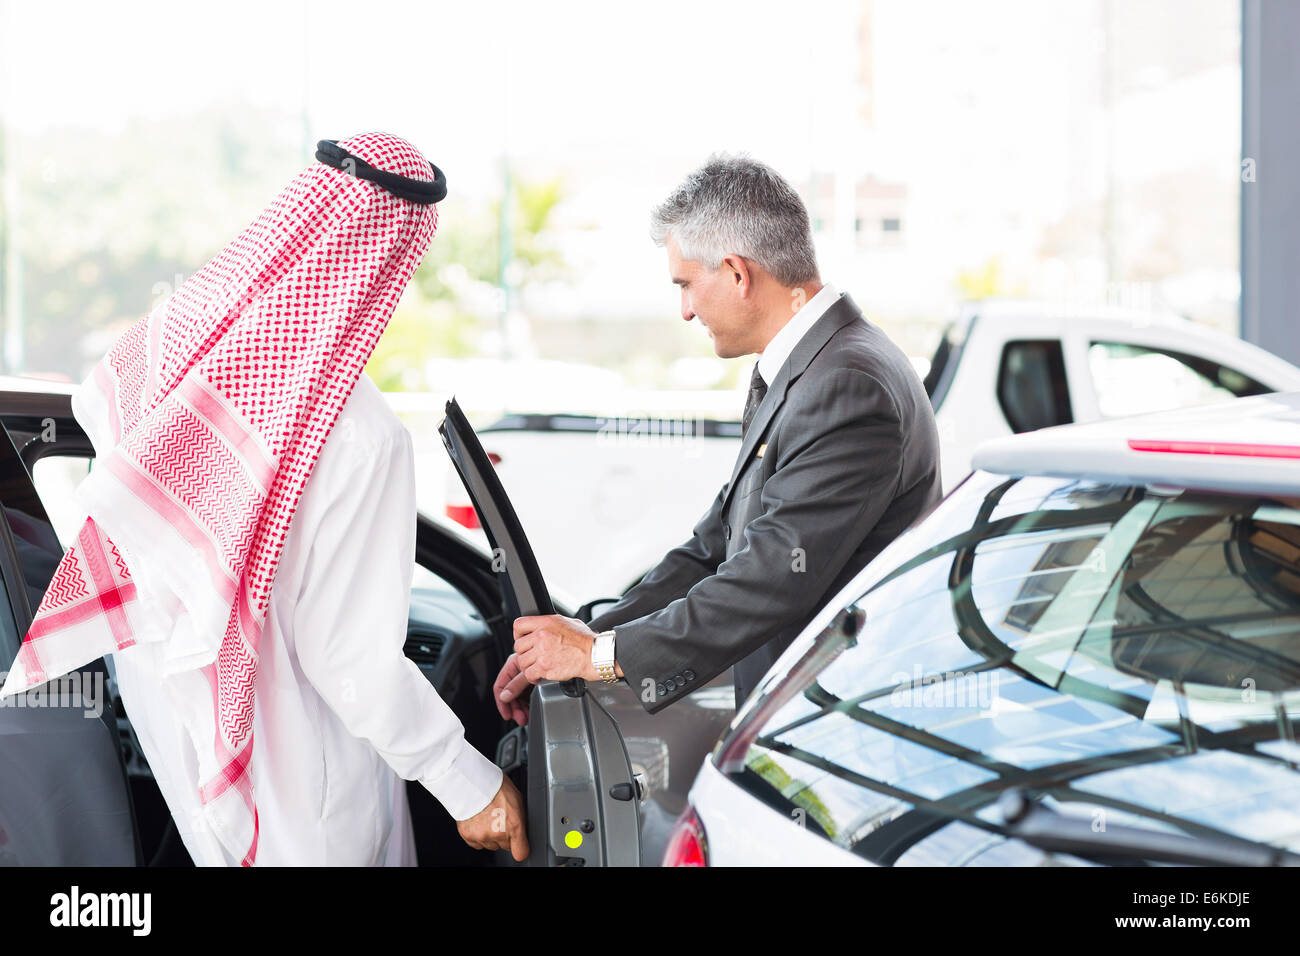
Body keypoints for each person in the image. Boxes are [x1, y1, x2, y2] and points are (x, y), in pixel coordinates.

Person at [0, 132, 527, 865]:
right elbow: (349, 656)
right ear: (387, 260)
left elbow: (103, 423)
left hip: (180, 726)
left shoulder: (160, 355)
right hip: (296, 764)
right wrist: (468, 784)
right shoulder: (359, 433)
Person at [494, 154, 942, 720]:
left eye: (686, 284)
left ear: (736, 272)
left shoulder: (846, 383)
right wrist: (583, 637)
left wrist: (598, 656)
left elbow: (771, 580)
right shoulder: (811, 367)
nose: (684, 310)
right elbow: (715, 547)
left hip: (842, 727)